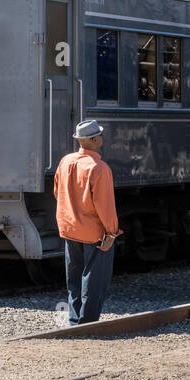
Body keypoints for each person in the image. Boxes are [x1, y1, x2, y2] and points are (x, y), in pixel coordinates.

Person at [53, 119, 121, 325]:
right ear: (93, 139)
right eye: (99, 135)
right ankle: (88, 322)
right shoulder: (99, 168)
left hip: (68, 227)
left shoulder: (65, 161)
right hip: (94, 232)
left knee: (73, 276)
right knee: (94, 279)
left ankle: (74, 320)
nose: (101, 137)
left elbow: (57, 192)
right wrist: (111, 233)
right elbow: (105, 205)